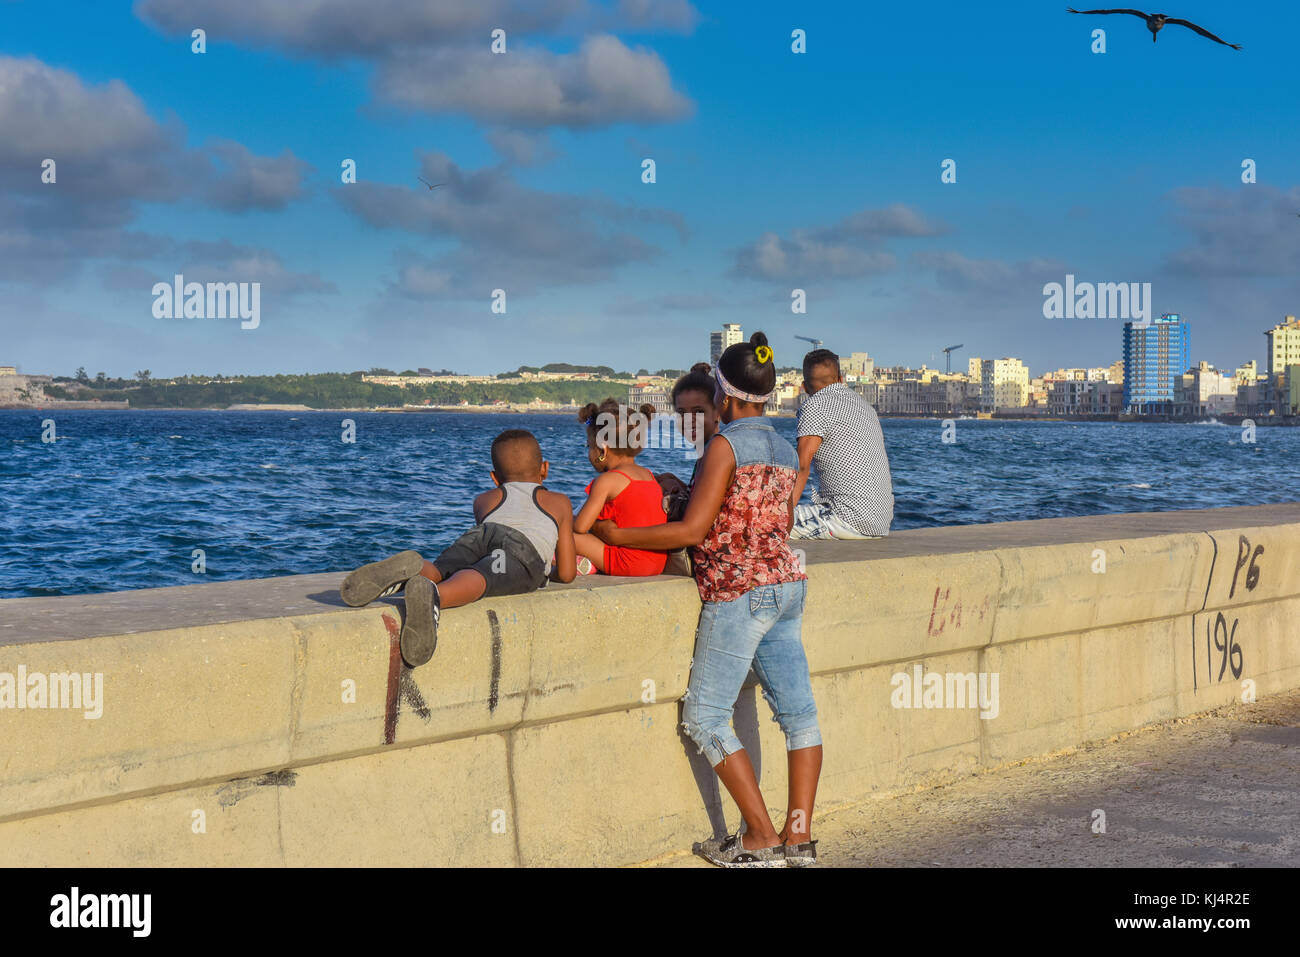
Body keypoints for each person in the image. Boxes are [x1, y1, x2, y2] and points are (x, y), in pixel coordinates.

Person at [592, 332, 822, 868]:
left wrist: (618, 537)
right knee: (800, 716)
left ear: (725, 394)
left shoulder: (725, 446)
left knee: (704, 715)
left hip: (740, 592)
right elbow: (780, 520)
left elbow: (694, 531)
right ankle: (800, 840)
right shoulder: (786, 447)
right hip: (787, 585)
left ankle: (760, 836)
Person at [339, 429, 576, 667]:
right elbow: (567, 573)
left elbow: (483, 549)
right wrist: (546, 571)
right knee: (483, 575)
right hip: (521, 551)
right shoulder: (559, 502)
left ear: (494, 478)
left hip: (482, 533)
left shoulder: (484, 500)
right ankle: (436, 596)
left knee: (445, 568)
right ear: (545, 468)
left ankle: (416, 570)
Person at [789, 348, 894, 540]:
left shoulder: (814, 406)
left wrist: (782, 515)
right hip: (881, 524)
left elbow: (802, 466)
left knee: (763, 525)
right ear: (841, 379)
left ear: (804, 386)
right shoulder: (866, 407)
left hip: (846, 520)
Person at [573, 399, 668, 576]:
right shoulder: (648, 475)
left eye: (589, 446)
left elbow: (580, 527)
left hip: (628, 563)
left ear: (603, 449)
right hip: (656, 563)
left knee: (567, 535)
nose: (589, 452)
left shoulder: (607, 481)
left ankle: (583, 564)